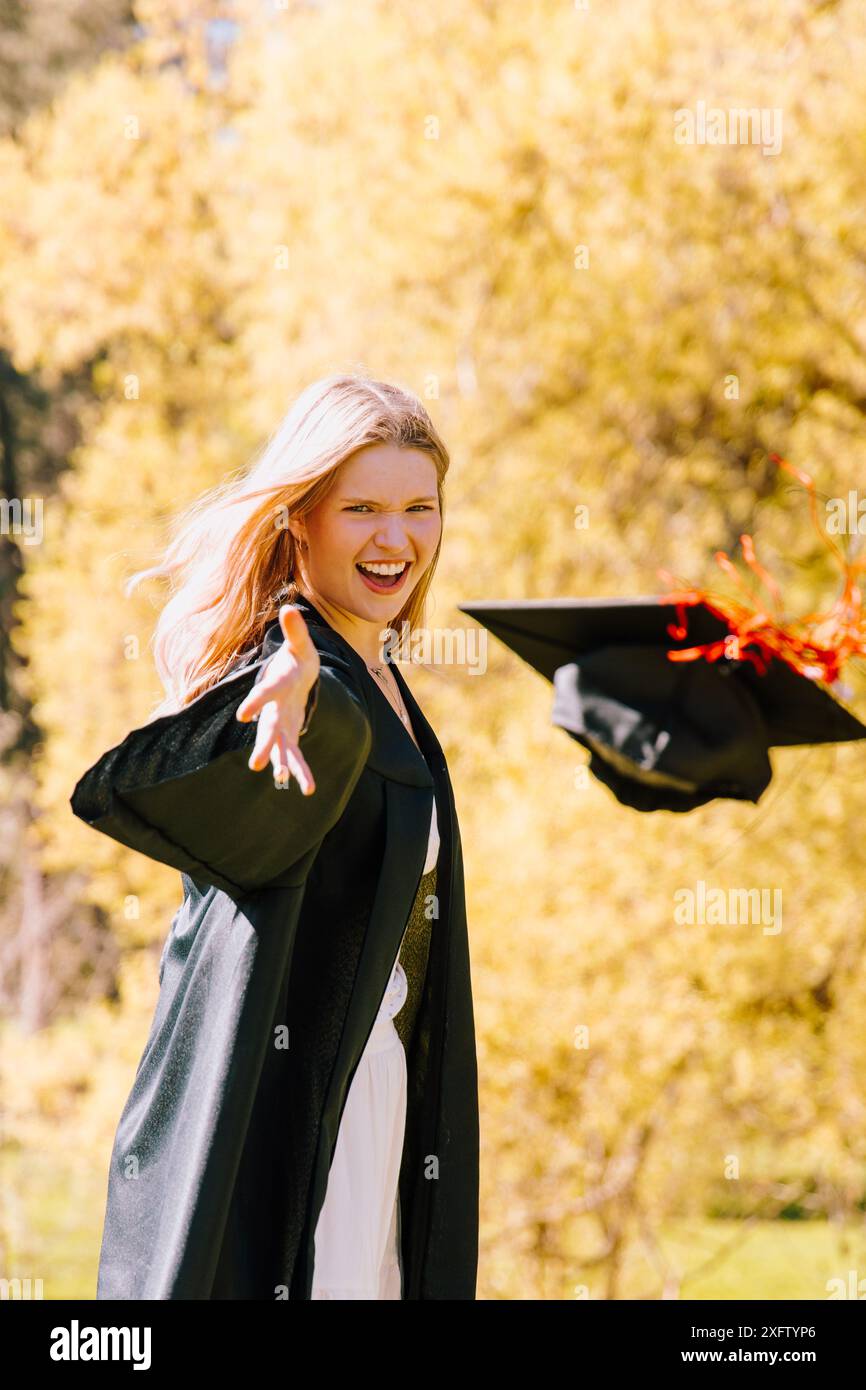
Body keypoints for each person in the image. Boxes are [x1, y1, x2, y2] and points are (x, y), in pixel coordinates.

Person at [70, 373, 479, 1300]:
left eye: (420, 507)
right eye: (362, 507)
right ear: (301, 518)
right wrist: (309, 694)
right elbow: (297, 745)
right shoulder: (287, 677)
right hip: (289, 1117)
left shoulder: (389, 684)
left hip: (381, 1098)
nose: (396, 537)